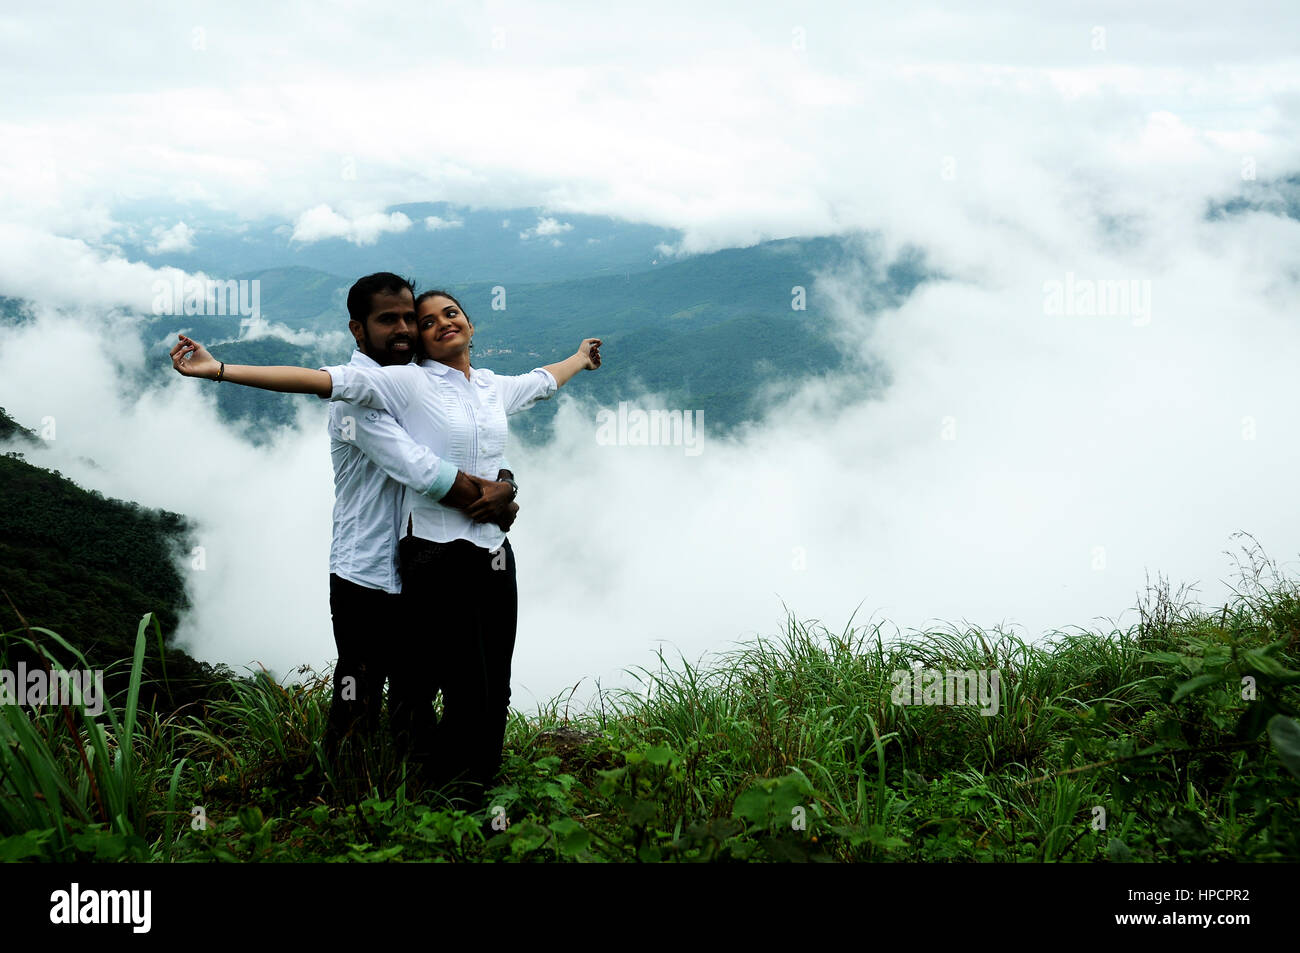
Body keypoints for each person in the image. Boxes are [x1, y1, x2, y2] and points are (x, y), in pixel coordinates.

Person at [170, 294, 601, 800]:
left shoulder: (488, 386)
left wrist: (578, 358)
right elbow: (321, 381)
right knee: (458, 682)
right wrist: (218, 369)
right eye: (427, 321)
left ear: (471, 324)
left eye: (451, 314)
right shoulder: (407, 383)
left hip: (495, 554)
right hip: (436, 552)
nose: (441, 323)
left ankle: (481, 784)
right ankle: (441, 794)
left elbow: (541, 383)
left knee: (495, 682)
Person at [319, 273, 518, 775]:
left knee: (416, 687)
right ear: (357, 330)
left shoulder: (415, 383)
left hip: (420, 564)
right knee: (358, 688)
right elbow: (427, 471)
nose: (404, 329)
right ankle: (341, 793)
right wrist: (501, 497)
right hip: (367, 572)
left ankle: (419, 791)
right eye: (389, 320)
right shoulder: (360, 397)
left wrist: (506, 482)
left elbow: (467, 444)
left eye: (410, 318)